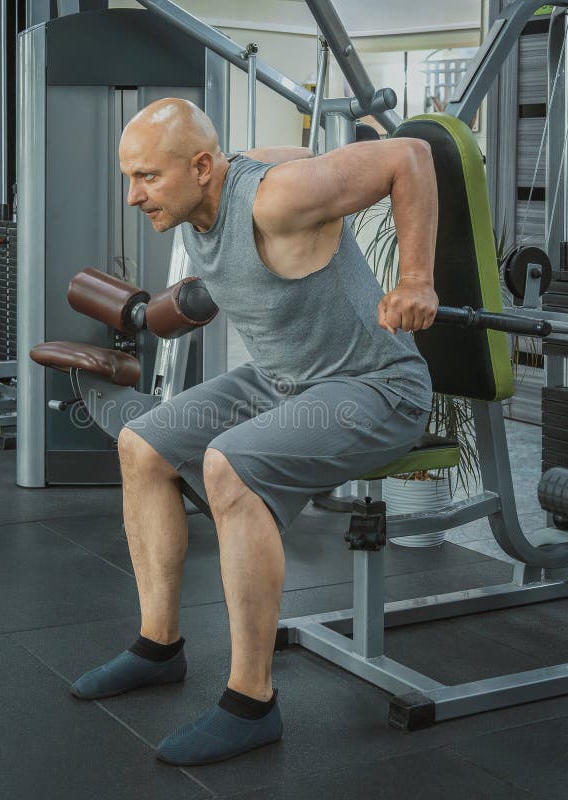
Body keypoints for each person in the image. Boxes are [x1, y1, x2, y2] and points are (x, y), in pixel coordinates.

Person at [70, 97, 439, 766]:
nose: (133, 196)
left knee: (227, 464)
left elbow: (408, 156)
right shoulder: (222, 191)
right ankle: (159, 647)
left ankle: (251, 701)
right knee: (142, 445)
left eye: (147, 177)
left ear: (202, 166)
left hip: (376, 387)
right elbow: (297, 157)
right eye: (132, 177)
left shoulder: (275, 199)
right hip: (283, 380)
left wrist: (415, 279)